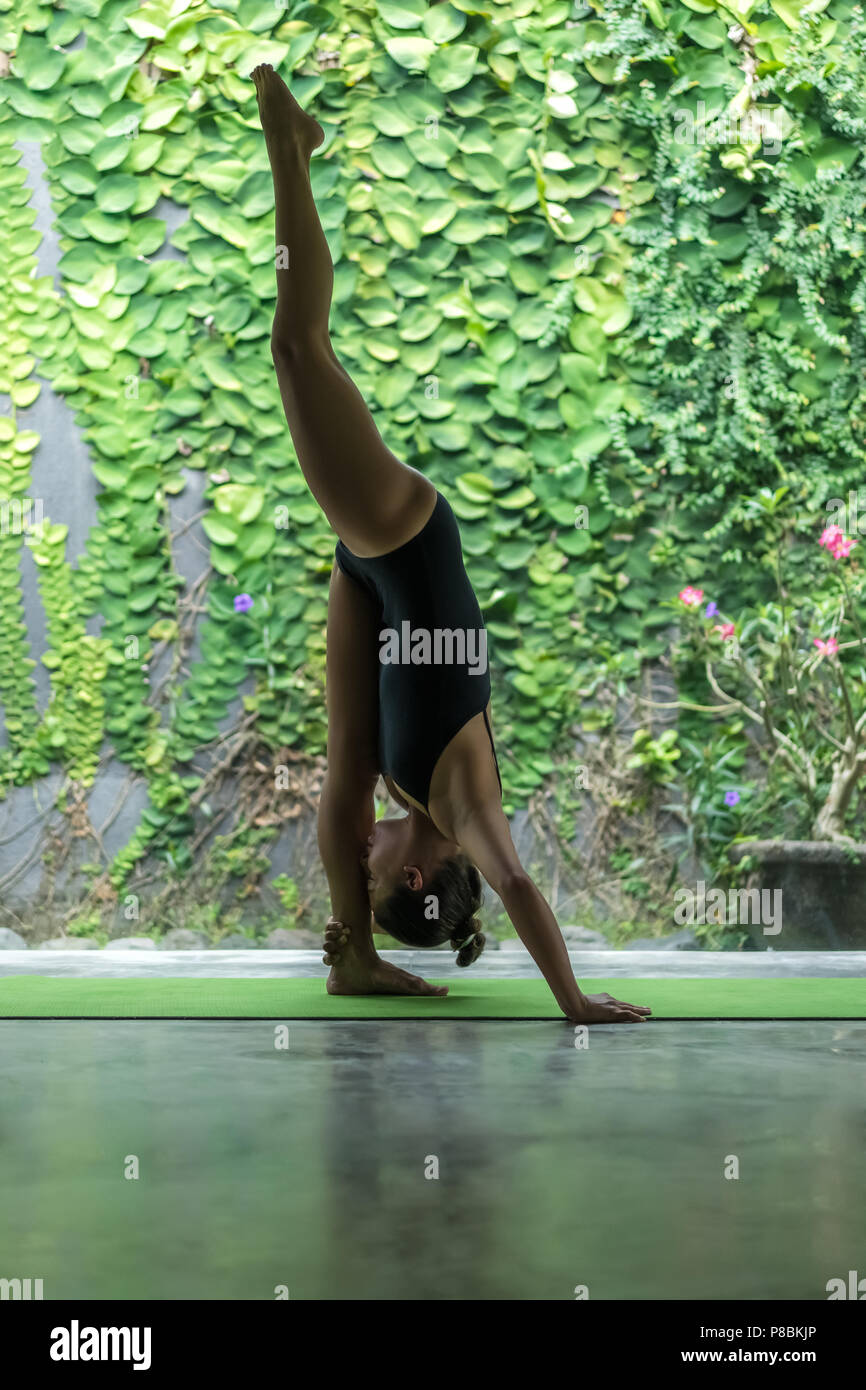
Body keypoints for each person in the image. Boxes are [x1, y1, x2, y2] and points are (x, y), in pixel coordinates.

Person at [252, 64, 651, 1025]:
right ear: (425, 875)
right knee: (300, 350)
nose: (371, 851)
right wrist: (574, 1002)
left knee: (345, 773)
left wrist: (352, 947)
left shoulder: (395, 792)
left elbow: (345, 805)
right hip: (408, 539)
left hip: (368, 581)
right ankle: (290, 150)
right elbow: (514, 887)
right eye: (383, 880)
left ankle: (353, 970)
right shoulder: (468, 808)